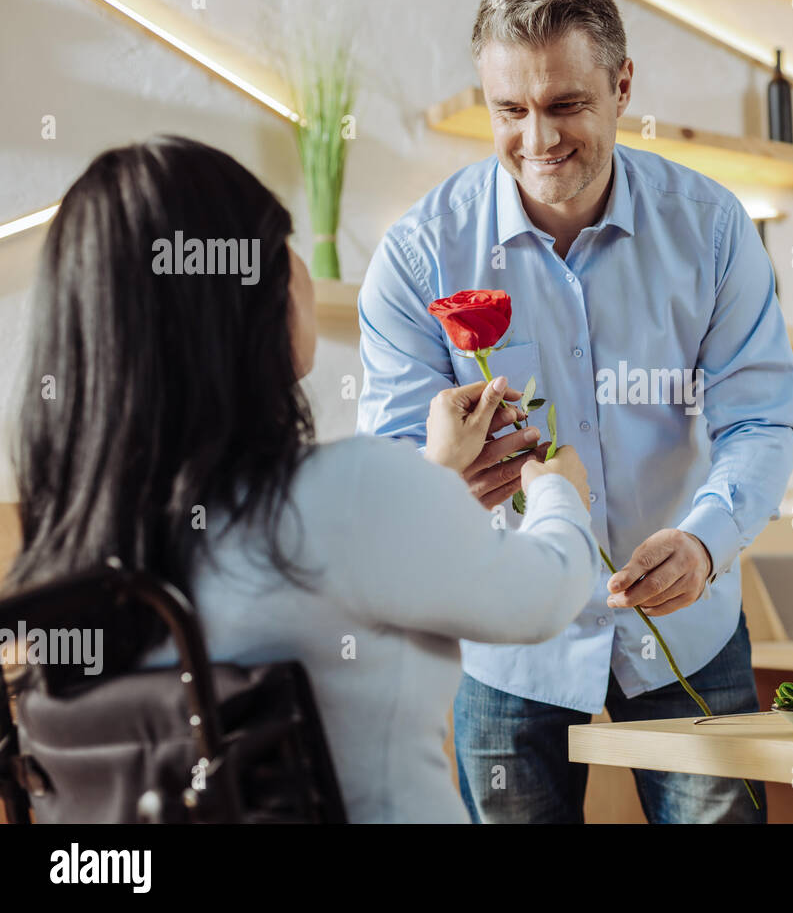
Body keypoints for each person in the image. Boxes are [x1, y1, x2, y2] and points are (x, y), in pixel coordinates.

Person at [3, 136, 598, 823]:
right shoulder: (351, 493)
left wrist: (432, 482)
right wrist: (561, 492)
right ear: (235, 299)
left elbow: (318, 575)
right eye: (280, 239)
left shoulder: (68, 571)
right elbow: (543, 596)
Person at [357, 0, 793, 823]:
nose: (537, 139)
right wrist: (440, 481)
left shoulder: (711, 230)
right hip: (508, 647)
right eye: (509, 111)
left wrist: (707, 542)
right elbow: (389, 473)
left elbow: (763, 418)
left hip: (687, 634)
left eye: (566, 105)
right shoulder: (419, 257)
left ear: (622, 84)